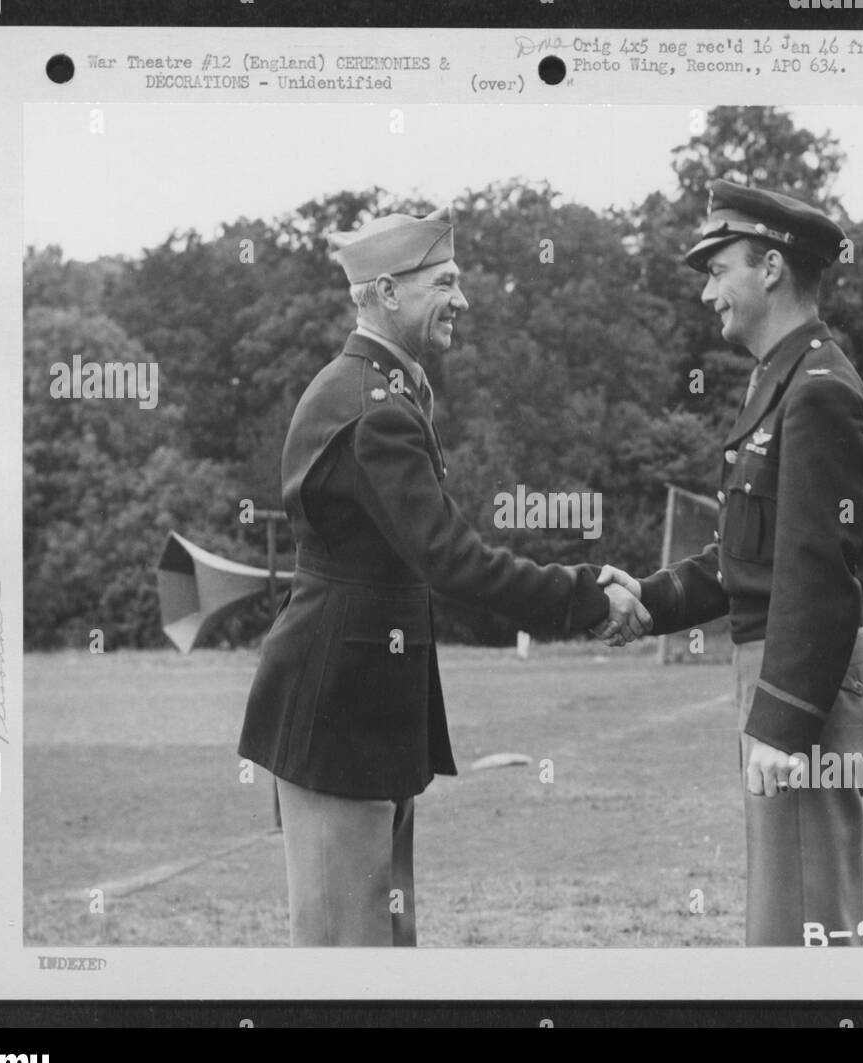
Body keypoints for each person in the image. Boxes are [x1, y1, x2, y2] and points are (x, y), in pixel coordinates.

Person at [239, 204, 648, 946]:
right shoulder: (373, 408)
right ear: (388, 292)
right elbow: (454, 561)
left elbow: (442, 549)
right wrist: (585, 596)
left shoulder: (382, 391)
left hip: (362, 715)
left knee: (385, 950)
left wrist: (585, 577)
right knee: (347, 961)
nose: (463, 299)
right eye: (446, 282)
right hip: (340, 721)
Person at [596, 179, 863, 946]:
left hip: (803, 687)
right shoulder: (779, 380)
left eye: (716, 268)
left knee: (801, 938)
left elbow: (819, 577)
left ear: (769, 267)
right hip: (782, 676)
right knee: (787, 925)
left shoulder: (817, 391)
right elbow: (746, 556)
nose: (707, 292)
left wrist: (783, 723)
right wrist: (650, 599)